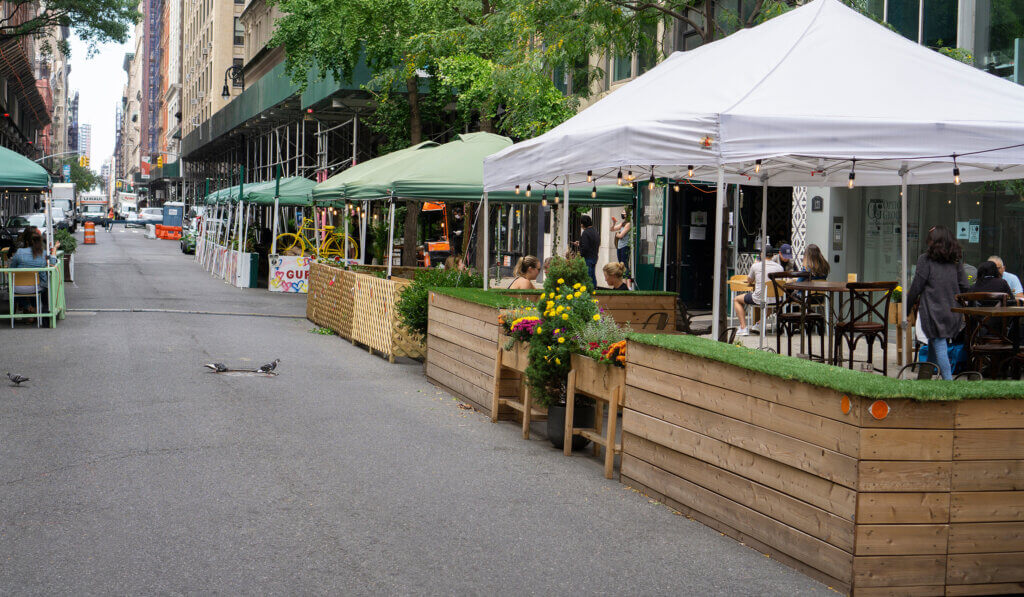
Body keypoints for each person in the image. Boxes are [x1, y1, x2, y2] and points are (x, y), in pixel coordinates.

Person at [905, 225, 969, 380]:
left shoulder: (925, 260)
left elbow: (916, 287)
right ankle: (924, 380)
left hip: (932, 311)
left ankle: (948, 383)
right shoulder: (955, 261)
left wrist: (906, 308)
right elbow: (965, 286)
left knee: (939, 344)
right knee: (935, 342)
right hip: (953, 312)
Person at [733, 248, 789, 336]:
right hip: (776, 299)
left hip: (759, 298)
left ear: (762, 255)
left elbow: (749, 280)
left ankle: (743, 328)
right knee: (769, 303)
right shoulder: (780, 267)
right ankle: (758, 324)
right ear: (773, 255)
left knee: (736, 299)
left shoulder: (756, 266)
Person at [10, 230, 59, 314]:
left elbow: (11, 268)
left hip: (17, 288)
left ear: (26, 242)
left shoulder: (19, 252)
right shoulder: (43, 254)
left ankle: (29, 308)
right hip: (37, 287)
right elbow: (53, 264)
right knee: (39, 289)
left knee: (11, 289)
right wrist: (54, 249)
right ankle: (34, 311)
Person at [577, 215, 599, 288]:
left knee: (587, 276)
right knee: (592, 275)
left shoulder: (585, 233)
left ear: (582, 224)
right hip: (594, 256)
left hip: (587, 258)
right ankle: (595, 290)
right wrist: (580, 243)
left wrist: (580, 255)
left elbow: (585, 247)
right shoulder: (595, 231)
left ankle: (589, 291)